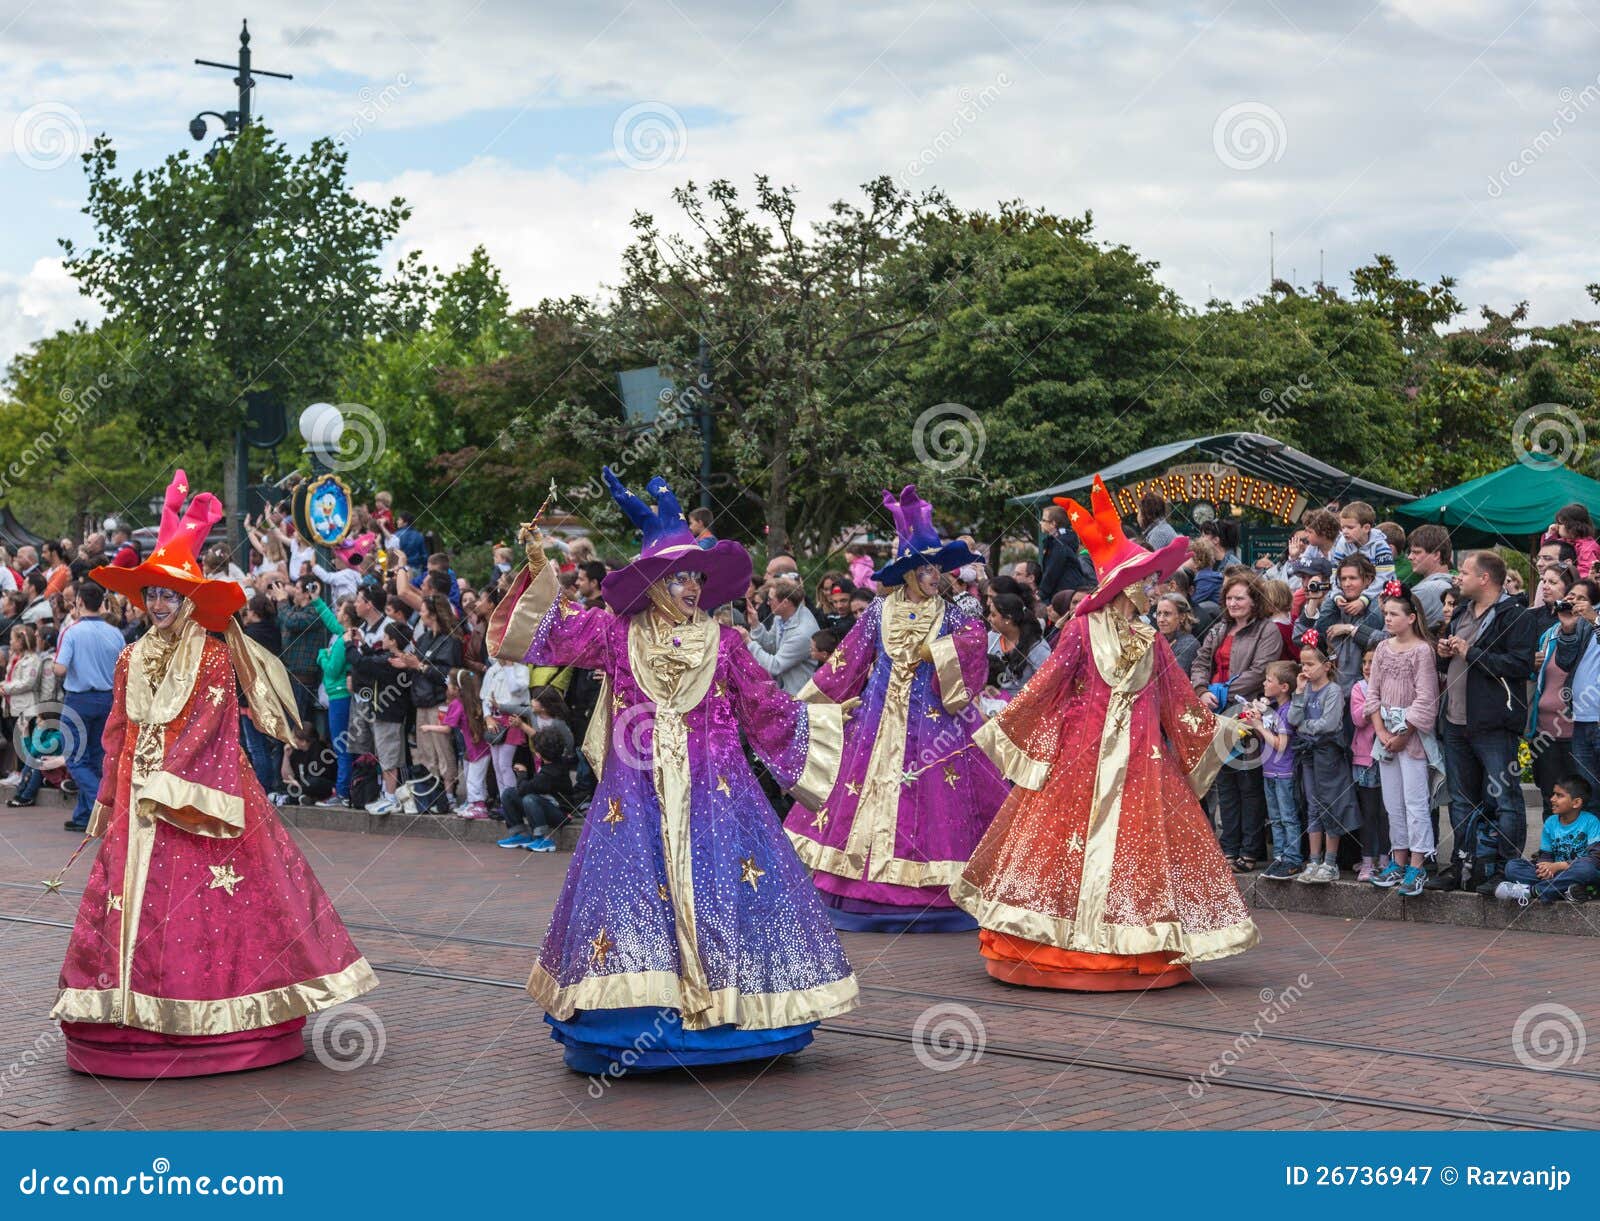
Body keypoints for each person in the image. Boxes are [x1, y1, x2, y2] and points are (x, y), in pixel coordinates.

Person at [488, 467, 856, 1071]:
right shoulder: (614, 634)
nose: (690, 586)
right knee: (633, 893)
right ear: (654, 582)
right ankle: (634, 1018)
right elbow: (544, 638)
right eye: (678, 576)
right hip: (632, 796)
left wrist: (830, 719)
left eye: (695, 575)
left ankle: (732, 1014)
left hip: (718, 796)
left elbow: (767, 708)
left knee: (723, 890)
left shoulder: (728, 643)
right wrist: (538, 567)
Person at [51, 469, 374, 1077]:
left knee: (209, 908)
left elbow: (210, 726)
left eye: (170, 596)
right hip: (140, 804)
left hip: (198, 797)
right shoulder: (129, 655)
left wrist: (164, 783)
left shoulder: (215, 655)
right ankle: (123, 1013)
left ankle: (214, 1018)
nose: (160, 605)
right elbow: (118, 727)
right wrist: (117, 793)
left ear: (190, 598)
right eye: (152, 596)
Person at [953, 475, 1256, 990]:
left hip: (1142, 761)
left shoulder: (1150, 636)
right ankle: (1055, 943)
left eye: (1154, 580)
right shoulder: (1080, 628)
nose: (1153, 588)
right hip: (1080, 758)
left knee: (1139, 852)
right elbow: (1047, 683)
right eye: (1145, 580)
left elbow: (1179, 698)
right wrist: (1007, 728)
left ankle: (1134, 944)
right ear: (1124, 584)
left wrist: (1224, 728)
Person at [784, 485, 1009, 933]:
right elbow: (848, 659)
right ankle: (863, 893)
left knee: (937, 806)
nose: (933, 576)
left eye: (937, 568)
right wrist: (804, 706)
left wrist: (940, 651)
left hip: (938, 731)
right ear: (908, 572)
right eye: (924, 568)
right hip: (876, 726)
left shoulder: (955, 615)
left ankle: (939, 895)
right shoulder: (878, 612)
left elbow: (975, 653)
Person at [1429, 550, 1538, 895]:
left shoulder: (1515, 616)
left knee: (1505, 798)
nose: (1458, 578)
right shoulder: (1461, 612)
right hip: (1456, 722)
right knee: (1461, 802)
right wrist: (1444, 654)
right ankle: (1464, 865)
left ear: (1485, 578)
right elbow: (1453, 664)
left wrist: (1470, 652)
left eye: (1464, 572)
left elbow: (1519, 666)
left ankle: (1506, 867)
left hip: (1493, 724)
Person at [1191, 573, 1285, 871]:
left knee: (1247, 782)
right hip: (1215, 714)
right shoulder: (1219, 628)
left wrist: (1221, 692)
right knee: (1225, 781)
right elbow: (1200, 662)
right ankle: (1228, 847)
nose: (1233, 603)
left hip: (1247, 713)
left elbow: (1259, 672)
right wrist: (1202, 691)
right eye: (1230, 598)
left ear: (1254, 600)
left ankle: (1250, 849)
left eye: (1240, 597)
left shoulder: (1267, 630)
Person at [1366, 584, 1442, 898]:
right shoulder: (1383, 648)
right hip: (1385, 736)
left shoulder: (1423, 650)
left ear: (1411, 618)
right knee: (1392, 803)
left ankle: (1417, 863)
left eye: (1394, 614)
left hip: (1411, 736)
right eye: (1385, 613)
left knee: (1415, 802)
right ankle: (1397, 860)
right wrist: (1382, 731)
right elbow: (1372, 693)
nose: (1388, 619)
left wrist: (1403, 733)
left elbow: (1426, 698)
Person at [52, 584, 127, 833]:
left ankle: (102, 804)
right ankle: (85, 815)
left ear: (80, 602)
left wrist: (55, 666)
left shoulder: (73, 632)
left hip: (79, 699)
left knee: (75, 758)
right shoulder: (115, 633)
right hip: (107, 699)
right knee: (96, 758)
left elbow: (60, 669)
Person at [1288, 632, 1358, 883]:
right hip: (1308, 753)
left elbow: (1328, 724)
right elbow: (1292, 719)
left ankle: (1331, 862)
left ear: (1326, 666)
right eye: (1302, 664)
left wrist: (1304, 726)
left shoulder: (1334, 690)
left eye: (1309, 664)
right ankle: (1314, 860)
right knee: (1313, 804)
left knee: (1331, 803)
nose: (1304, 669)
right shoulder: (1304, 690)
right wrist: (1297, 693)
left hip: (1328, 753)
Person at [1494, 775, 1600, 905]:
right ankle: (1568, 890)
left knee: (1586, 870)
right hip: (1556, 875)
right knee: (1512, 867)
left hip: (1577, 872)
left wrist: (1558, 866)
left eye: (1559, 795)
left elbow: (1595, 858)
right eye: (1553, 794)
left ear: (1576, 803)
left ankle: (1533, 891)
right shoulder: (1551, 822)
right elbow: (1546, 855)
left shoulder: (1591, 821)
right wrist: (1545, 868)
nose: (1552, 799)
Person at [1528, 566, 1577, 819]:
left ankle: (1579, 854)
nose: (1545, 585)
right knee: (1550, 794)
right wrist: (1532, 666)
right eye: (1543, 581)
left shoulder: (1586, 631)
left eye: (1553, 581)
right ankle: (1549, 847)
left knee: (1577, 796)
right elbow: (1537, 679)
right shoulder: (1548, 634)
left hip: (1574, 729)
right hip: (1544, 729)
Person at [1250, 660, 1303, 880]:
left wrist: (1260, 727)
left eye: (1269, 680)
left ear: (1284, 687)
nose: (1264, 683)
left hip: (1284, 772)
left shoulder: (1287, 710)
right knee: (1275, 818)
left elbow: (1281, 744)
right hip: (1269, 771)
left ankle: (1292, 859)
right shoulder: (1274, 709)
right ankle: (1279, 857)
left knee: (1288, 817)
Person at [1551, 578, 1600, 801]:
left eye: (1581, 598)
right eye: (1572, 597)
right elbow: (1564, 661)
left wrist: (1596, 620)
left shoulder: (1593, 618)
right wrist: (1568, 630)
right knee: (1588, 794)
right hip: (1582, 719)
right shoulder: (1581, 622)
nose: (1576, 603)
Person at [497, 726, 574, 853]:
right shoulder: (552, 762)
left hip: (561, 814)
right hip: (546, 805)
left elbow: (524, 789)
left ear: (538, 753)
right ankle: (519, 835)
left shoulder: (551, 772)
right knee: (508, 794)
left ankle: (543, 839)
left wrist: (522, 774)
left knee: (529, 799)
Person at [1347, 647, 1389, 882]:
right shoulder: (1358, 688)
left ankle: (1385, 859)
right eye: (1364, 661)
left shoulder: (1390, 687)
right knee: (1369, 812)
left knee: (1386, 813)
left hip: (1387, 756)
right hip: (1364, 759)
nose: (1366, 666)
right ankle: (1367, 861)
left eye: (1372, 662)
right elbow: (1358, 718)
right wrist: (1376, 701)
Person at [433, 669, 492, 819]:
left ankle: (480, 807)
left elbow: (447, 728)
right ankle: (474, 803)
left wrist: (428, 727)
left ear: (456, 689)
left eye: (449, 685)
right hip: (477, 748)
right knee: (473, 777)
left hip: (477, 750)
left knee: (473, 779)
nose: (447, 687)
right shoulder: (473, 700)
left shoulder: (457, 704)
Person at [746, 580, 820, 694]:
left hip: (798, 696)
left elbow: (775, 666)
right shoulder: (782, 618)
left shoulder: (802, 632)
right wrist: (755, 624)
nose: (767, 603)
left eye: (770, 599)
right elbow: (771, 646)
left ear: (785, 602)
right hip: (783, 692)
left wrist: (748, 642)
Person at [1327, 501, 1395, 601]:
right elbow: (1335, 573)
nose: (1345, 531)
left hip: (1380, 593)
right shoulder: (1342, 543)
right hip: (1351, 591)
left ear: (1366, 528)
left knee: (1375, 611)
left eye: (1350, 527)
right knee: (1328, 605)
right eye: (1343, 527)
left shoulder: (1380, 546)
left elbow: (1384, 578)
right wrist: (1337, 595)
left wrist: (1364, 599)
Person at [985, 593, 1049, 698]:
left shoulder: (1037, 648)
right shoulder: (991, 637)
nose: (988, 618)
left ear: (1007, 619)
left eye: (993, 615)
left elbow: (1048, 684)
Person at [1037, 503, 1094, 600]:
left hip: (1065, 595)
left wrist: (1041, 593)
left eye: (1043, 520)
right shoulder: (1063, 540)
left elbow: (1053, 569)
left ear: (1053, 523)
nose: (1040, 523)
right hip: (1069, 592)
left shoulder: (1059, 543)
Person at [1406, 525, 1456, 628]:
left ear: (1436, 555)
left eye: (1416, 552)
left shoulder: (1427, 589)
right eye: (1410, 552)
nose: (1410, 557)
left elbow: (1389, 634)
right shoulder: (1454, 583)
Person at [1154, 592, 1200, 675]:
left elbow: (1173, 679)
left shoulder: (1189, 644)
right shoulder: (1156, 641)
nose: (1161, 619)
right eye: (1158, 614)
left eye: (1167, 614)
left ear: (1182, 617)